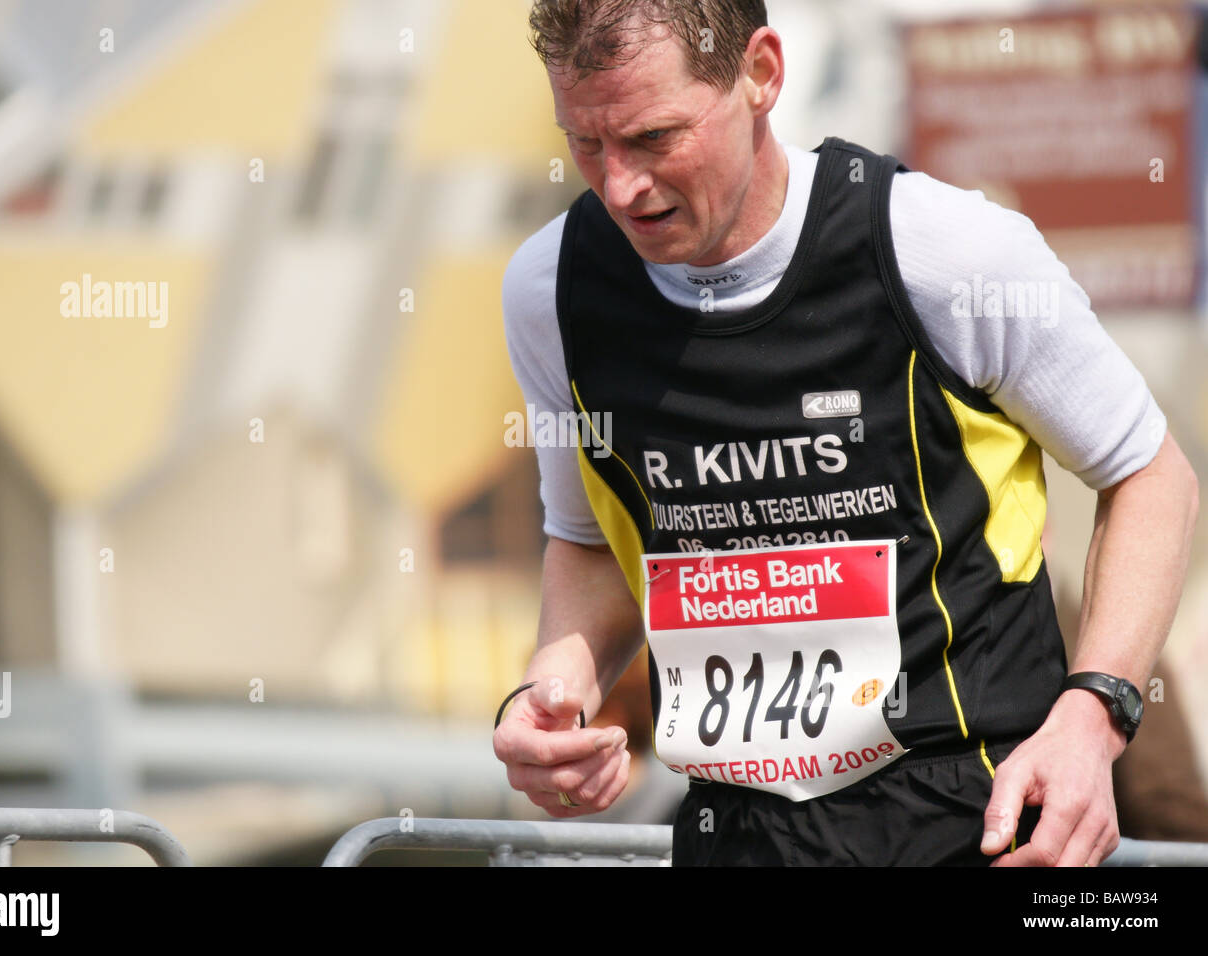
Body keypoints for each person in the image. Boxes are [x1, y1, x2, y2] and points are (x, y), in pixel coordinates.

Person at [494, 0, 1200, 866]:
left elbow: (1151, 477)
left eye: (652, 138)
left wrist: (1095, 717)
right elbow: (592, 543)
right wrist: (553, 692)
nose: (619, 187)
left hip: (975, 823)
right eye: (586, 143)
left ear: (762, 73)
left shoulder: (944, 251)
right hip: (736, 830)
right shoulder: (550, 290)